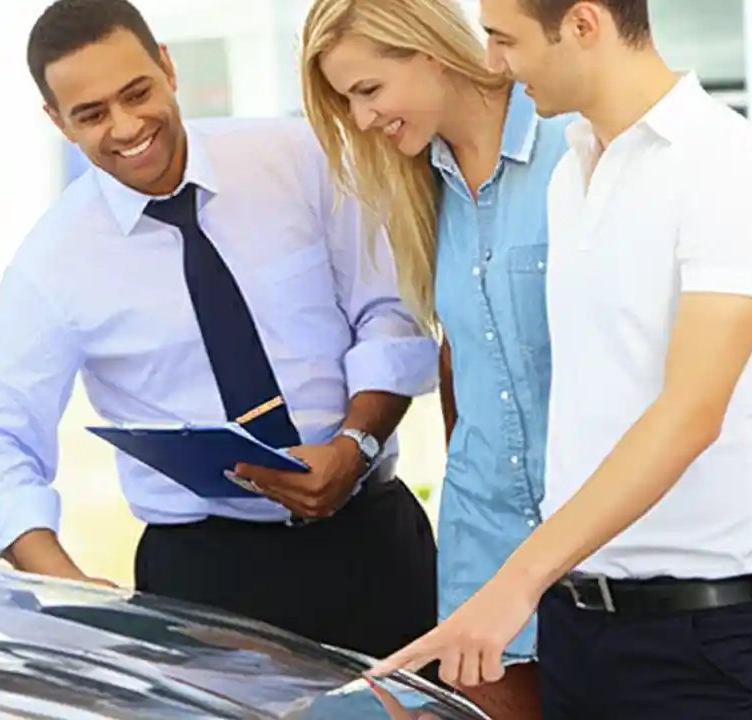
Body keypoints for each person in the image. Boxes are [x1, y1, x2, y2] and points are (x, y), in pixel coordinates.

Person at [0, 0, 440, 661]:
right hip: (204, 583)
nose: (126, 127)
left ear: (168, 67)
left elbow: (388, 309)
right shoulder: (52, 264)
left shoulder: (296, 158)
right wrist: (62, 584)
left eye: (136, 92)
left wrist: (355, 443)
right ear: (57, 123)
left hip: (373, 546)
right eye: (91, 115)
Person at [373, 0, 752, 717]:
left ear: (583, 25)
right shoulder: (573, 173)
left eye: (505, 40)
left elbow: (691, 413)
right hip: (575, 627)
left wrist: (513, 584)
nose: (492, 63)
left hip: (702, 643)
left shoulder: (731, 166)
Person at [299, 0, 572, 716]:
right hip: (483, 546)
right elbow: (460, 358)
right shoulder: (421, 190)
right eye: (347, 102)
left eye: (368, 91)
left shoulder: (573, 147)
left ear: (428, 50)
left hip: (600, 546)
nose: (362, 120)